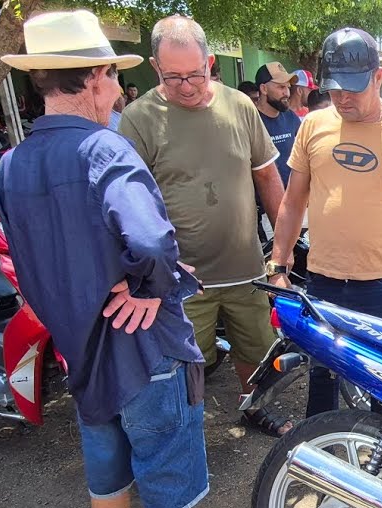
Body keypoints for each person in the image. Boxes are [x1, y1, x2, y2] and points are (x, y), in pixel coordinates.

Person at [0, 10, 247, 508]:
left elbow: (24, 261)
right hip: (142, 349)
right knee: (165, 463)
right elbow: (154, 243)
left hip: (78, 346)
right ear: (97, 77)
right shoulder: (105, 149)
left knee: (103, 459)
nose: (116, 92)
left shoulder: (12, 164)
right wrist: (152, 290)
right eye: (112, 78)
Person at [119, 15, 291, 437]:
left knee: (256, 348)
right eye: (172, 76)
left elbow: (268, 177)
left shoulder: (239, 106)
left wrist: (284, 252)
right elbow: (128, 204)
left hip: (245, 266)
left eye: (194, 74)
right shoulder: (137, 119)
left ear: (210, 62)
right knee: (185, 361)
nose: (185, 85)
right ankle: (183, 428)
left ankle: (252, 408)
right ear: (155, 68)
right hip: (181, 278)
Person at [267, 27, 382, 417]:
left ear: (378, 78)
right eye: (334, 90)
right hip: (323, 278)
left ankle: (381, 464)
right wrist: (278, 265)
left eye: (353, 88)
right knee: (323, 376)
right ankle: (321, 455)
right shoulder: (313, 126)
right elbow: (293, 201)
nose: (343, 98)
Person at [254, 62, 300, 187]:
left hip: (291, 199)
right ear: (264, 89)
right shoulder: (251, 120)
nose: (287, 93)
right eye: (281, 87)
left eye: (288, 87)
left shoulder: (291, 118)